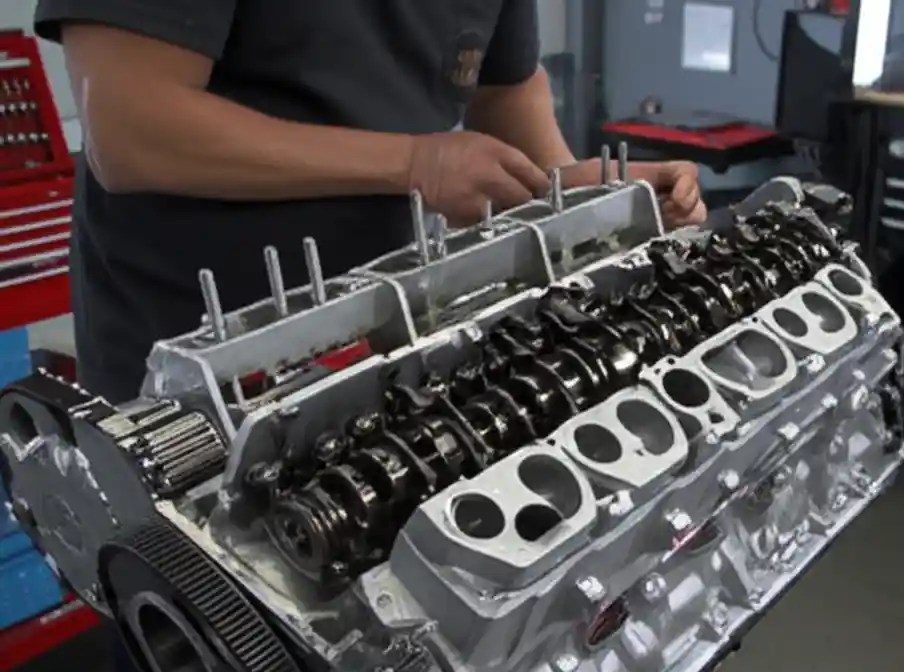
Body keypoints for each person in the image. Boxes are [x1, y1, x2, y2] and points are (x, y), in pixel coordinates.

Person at [33, 0, 707, 404]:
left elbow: (505, 85)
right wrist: (414, 162)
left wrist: (569, 186)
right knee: (208, 619)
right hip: (195, 359)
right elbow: (131, 128)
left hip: (383, 324)